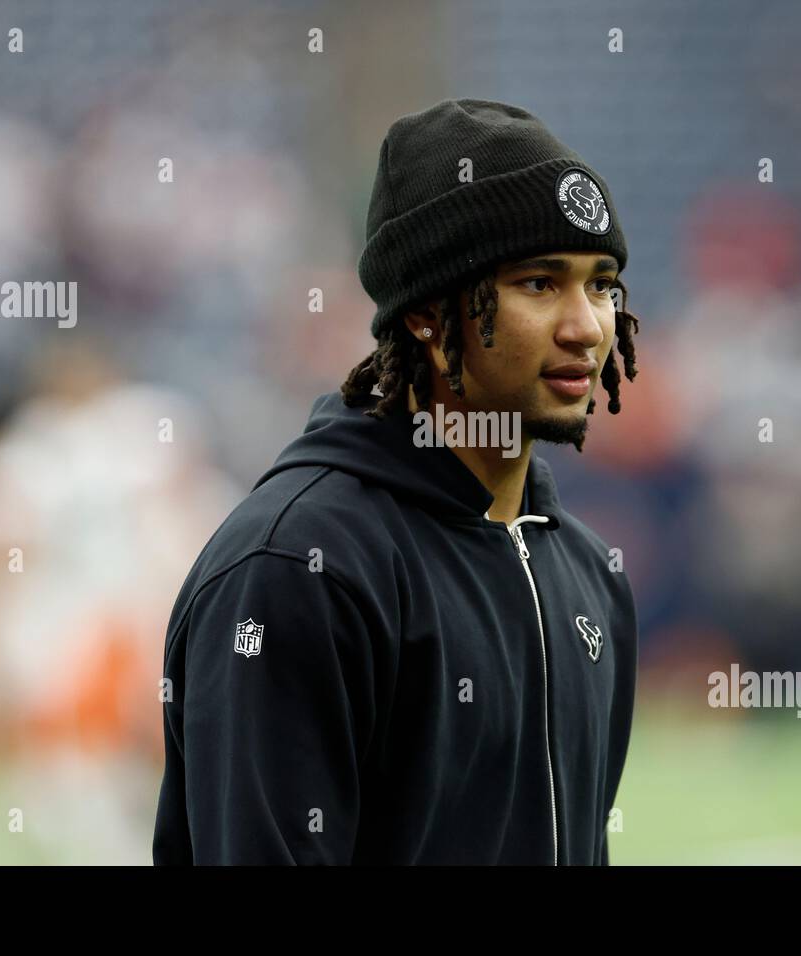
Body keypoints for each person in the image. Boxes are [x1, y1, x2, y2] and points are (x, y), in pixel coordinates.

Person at [153, 98, 642, 864]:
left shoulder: (588, 576)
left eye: (601, 283)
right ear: (424, 315)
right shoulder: (297, 570)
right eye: (539, 284)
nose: (586, 325)